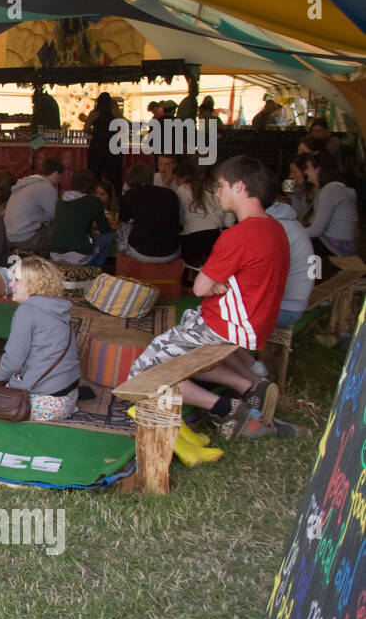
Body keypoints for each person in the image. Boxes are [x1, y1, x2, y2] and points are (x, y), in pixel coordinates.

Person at [125, 157, 289, 439]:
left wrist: (214, 284)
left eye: (221, 185)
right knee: (179, 346)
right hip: (253, 322)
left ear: (240, 187)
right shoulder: (274, 228)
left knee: (141, 375)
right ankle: (250, 386)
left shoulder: (238, 236)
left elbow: (201, 287)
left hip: (225, 325)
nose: (217, 192)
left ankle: (226, 409)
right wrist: (218, 283)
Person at [0, 257, 81, 422]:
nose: (11, 284)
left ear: (34, 285)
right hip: (69, 395)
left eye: (17, 280)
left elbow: (13, 360)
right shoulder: (58, 307)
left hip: (47, 405)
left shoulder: (27, 311)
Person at [266, 196, 315, 329]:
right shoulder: (288, 222)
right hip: (296, 302)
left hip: (286, 310)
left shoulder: (275, 228)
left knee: (221, 316)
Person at [301, 149, 359, 258]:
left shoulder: (330, 190)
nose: (305, 172)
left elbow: (317, 230)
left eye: (308, 168)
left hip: (337, 245)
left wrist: (292, 233)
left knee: (296, 246)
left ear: (318, 170)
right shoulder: (330, 189)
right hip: (342, 243)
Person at [118, 163, 180, 263]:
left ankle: (122, 253)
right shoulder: (170, 194)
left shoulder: (130, 195)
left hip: (143, 252)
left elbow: (123, 218)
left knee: (124, 226)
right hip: (173, 252)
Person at [50, 170, 113, 268]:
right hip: (78, 256)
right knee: (107, 237)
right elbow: (105, 228)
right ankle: (94, 270)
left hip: (54, 253)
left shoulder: (60, 201)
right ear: (93, 186)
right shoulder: (94, 202)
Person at [173, 160, 229, 267]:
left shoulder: (182, 190)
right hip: (216, 242)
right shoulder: (218, 189)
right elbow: (228, 221)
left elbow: (178, 219)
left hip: (191, 244)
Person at [4, 156, 63, 254]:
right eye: (60, 176)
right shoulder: (46, 187)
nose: (60, 180)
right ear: (56, 174)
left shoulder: (25, 184)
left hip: (9, 238)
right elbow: (56, 215)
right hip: (26, 239)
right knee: (62, 227)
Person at [85, 92, 120, 192]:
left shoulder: (94, 113)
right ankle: (113, 195)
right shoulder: (114, 112)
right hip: (112, 146)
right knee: (113, 174)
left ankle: (93, 193)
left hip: (97, 145)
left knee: (94, 173)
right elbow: (123, 125)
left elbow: (86, 129)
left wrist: (94, 132)